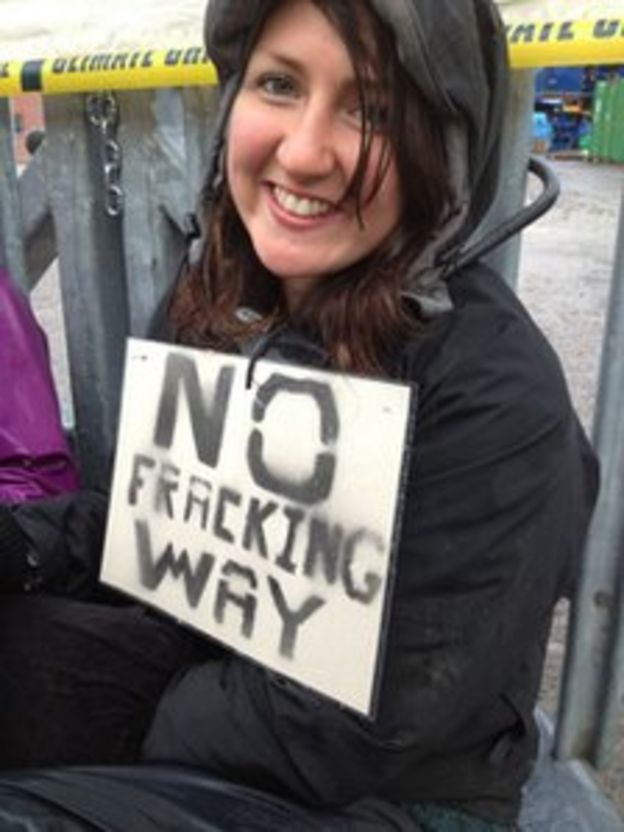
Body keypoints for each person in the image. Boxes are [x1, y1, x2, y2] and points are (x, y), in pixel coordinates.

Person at [0, 0, 598, 829]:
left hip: (393, 795)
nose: (307, 152)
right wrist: (21, 548)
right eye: (280, 83)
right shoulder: (213, 298)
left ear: (450, 145)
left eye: (375, 110)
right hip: (204, 687)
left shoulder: (497, 396)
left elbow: (358, 728)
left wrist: (104, 709)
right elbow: (162, 522)